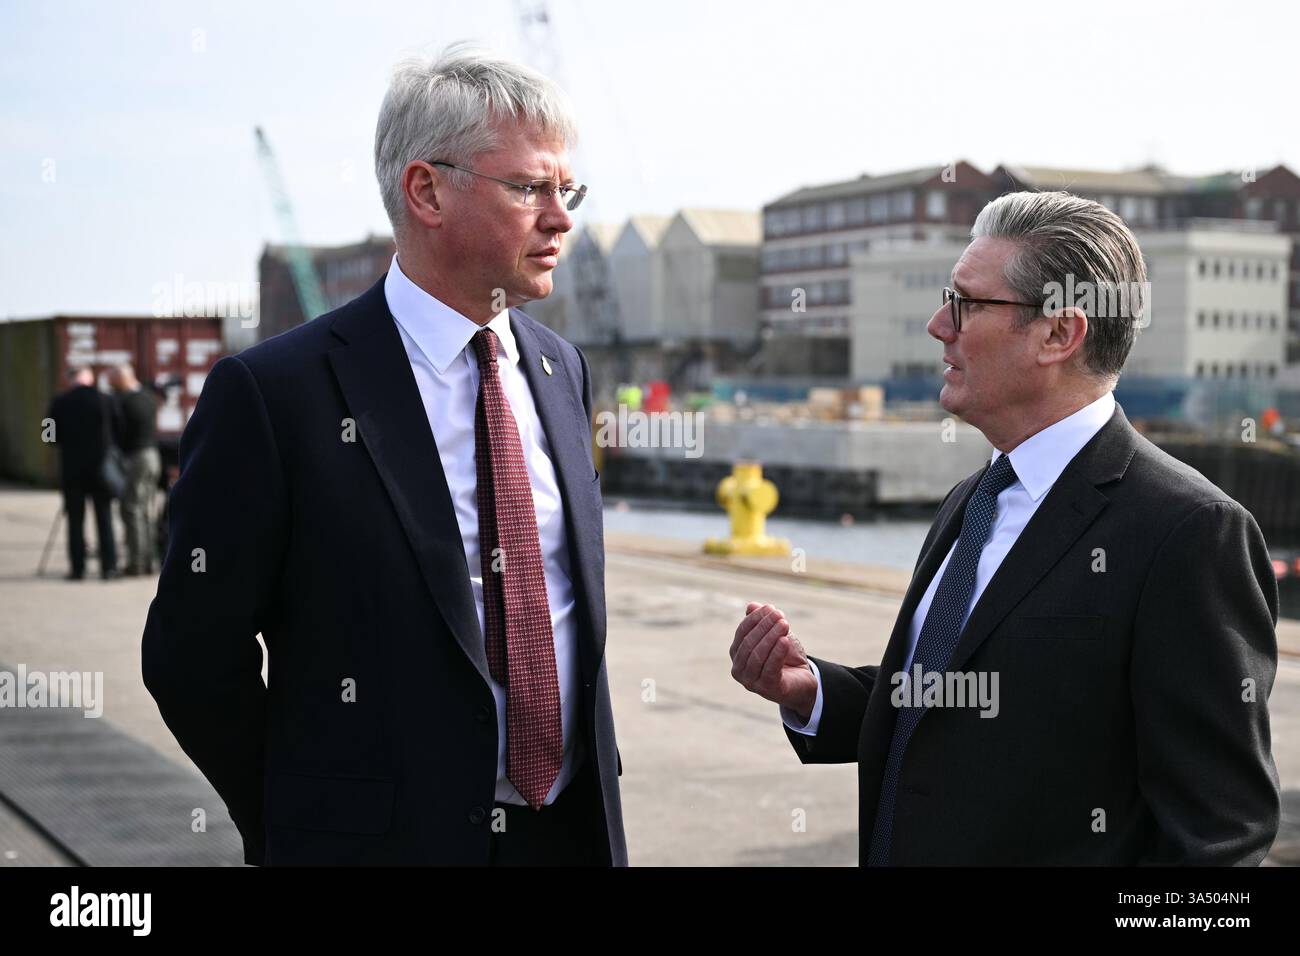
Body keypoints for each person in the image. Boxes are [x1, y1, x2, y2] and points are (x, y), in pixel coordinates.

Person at [142, 44, 625, 866]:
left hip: (572, 837)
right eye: (529, 187)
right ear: (426, 190)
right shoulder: (274, 396)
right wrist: (305, 819)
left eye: (566, 189)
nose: (562, 217)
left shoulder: (561, 370)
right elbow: (191, 657)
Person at [730, 190, 1280, 865]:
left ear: (1059, 334)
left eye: (966, 303)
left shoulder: (1190, 532)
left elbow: (1221, 838)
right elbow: (954, 697)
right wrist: (812, 691)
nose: (939, 325)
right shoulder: (977, 496)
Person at [46, 367, 118, 581]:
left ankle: (78, 568)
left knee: (75, 520)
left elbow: (47, 434)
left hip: (72, 469)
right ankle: (109, 566)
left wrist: (61, 442)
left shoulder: (59, 401)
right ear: (90, 379)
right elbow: (118, 428)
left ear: (71, 380)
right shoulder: (105, 399)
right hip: (101, 468)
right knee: (104, 517)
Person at [109, 364, 160, 576]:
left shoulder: (125, 401)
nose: (112, 388)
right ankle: (150, 559)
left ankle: (137, 562)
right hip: (152, 456)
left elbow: (118, 433)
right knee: (147, 509)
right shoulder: (148, 398)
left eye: (113, 383)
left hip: (137, 458)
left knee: (131, 509)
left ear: (122, 380)